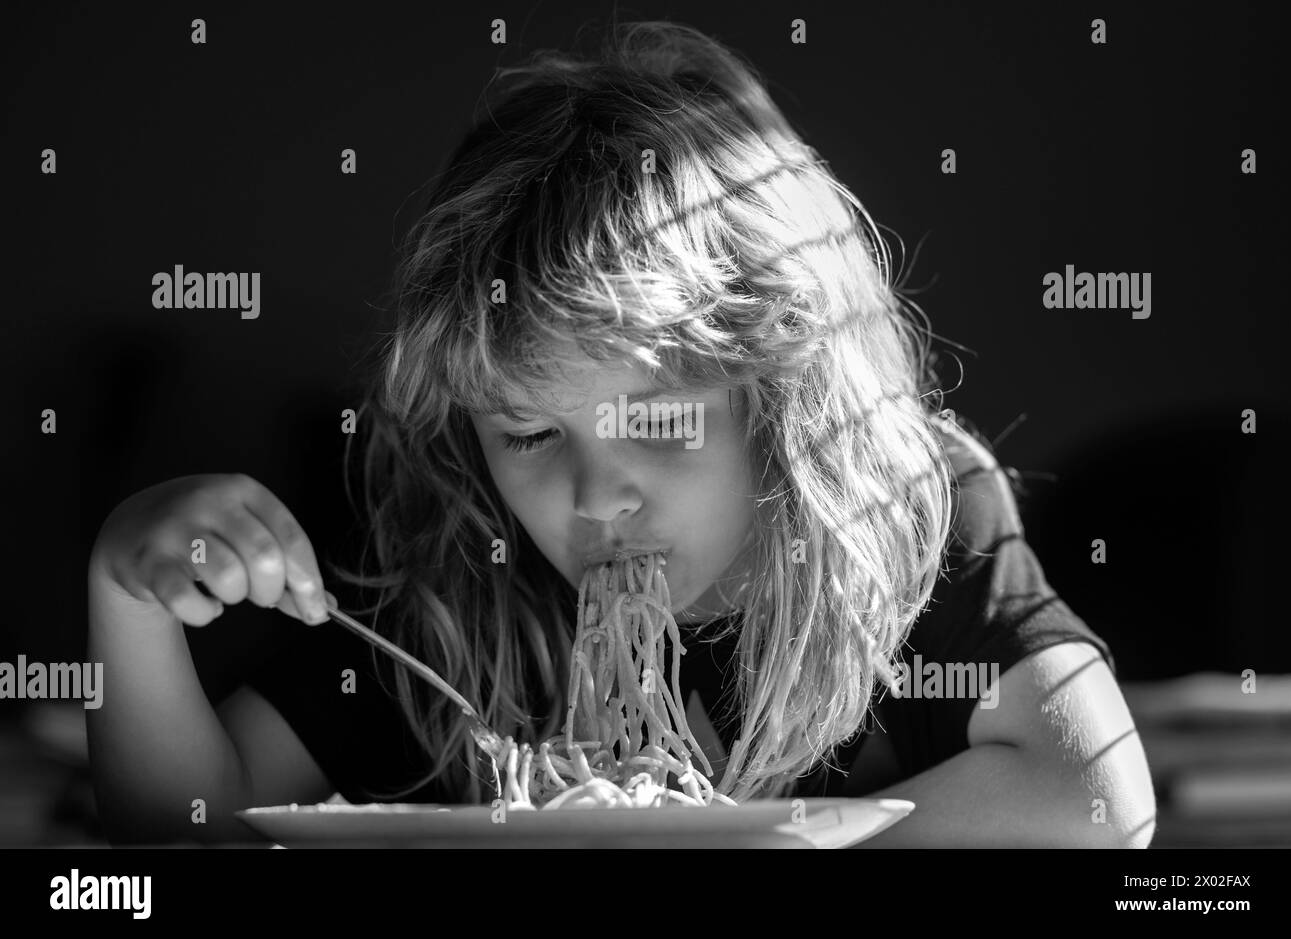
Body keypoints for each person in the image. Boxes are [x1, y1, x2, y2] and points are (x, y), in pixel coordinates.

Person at [86, 20, 1154, 847]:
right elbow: (193, 825)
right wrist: (128, 602)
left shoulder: (905, 517)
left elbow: (1095, 803)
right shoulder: (469, 575)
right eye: (531, 435)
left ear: (781, 388)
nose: (594, 499)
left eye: (653, 419)